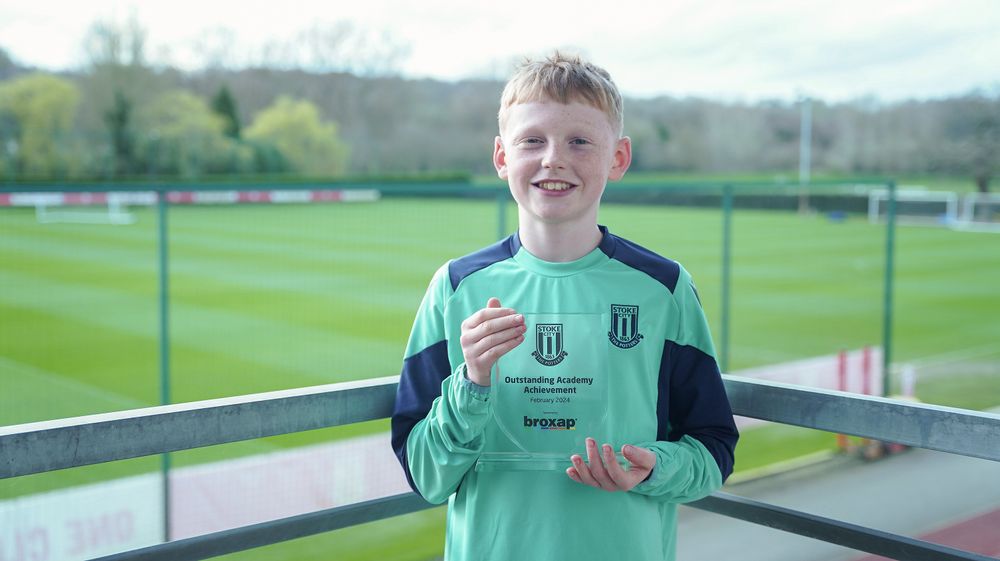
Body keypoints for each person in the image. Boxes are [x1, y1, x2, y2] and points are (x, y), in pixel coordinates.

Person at [391, 52, 738, 561]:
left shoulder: (663, 289)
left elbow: (712, 450)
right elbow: (426, 477)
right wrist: (472, 383)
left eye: (579, 141)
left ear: (617, 158)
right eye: (532, 140)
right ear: (501, 156)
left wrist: (655, 467)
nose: (554, 158)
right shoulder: (455, 287)